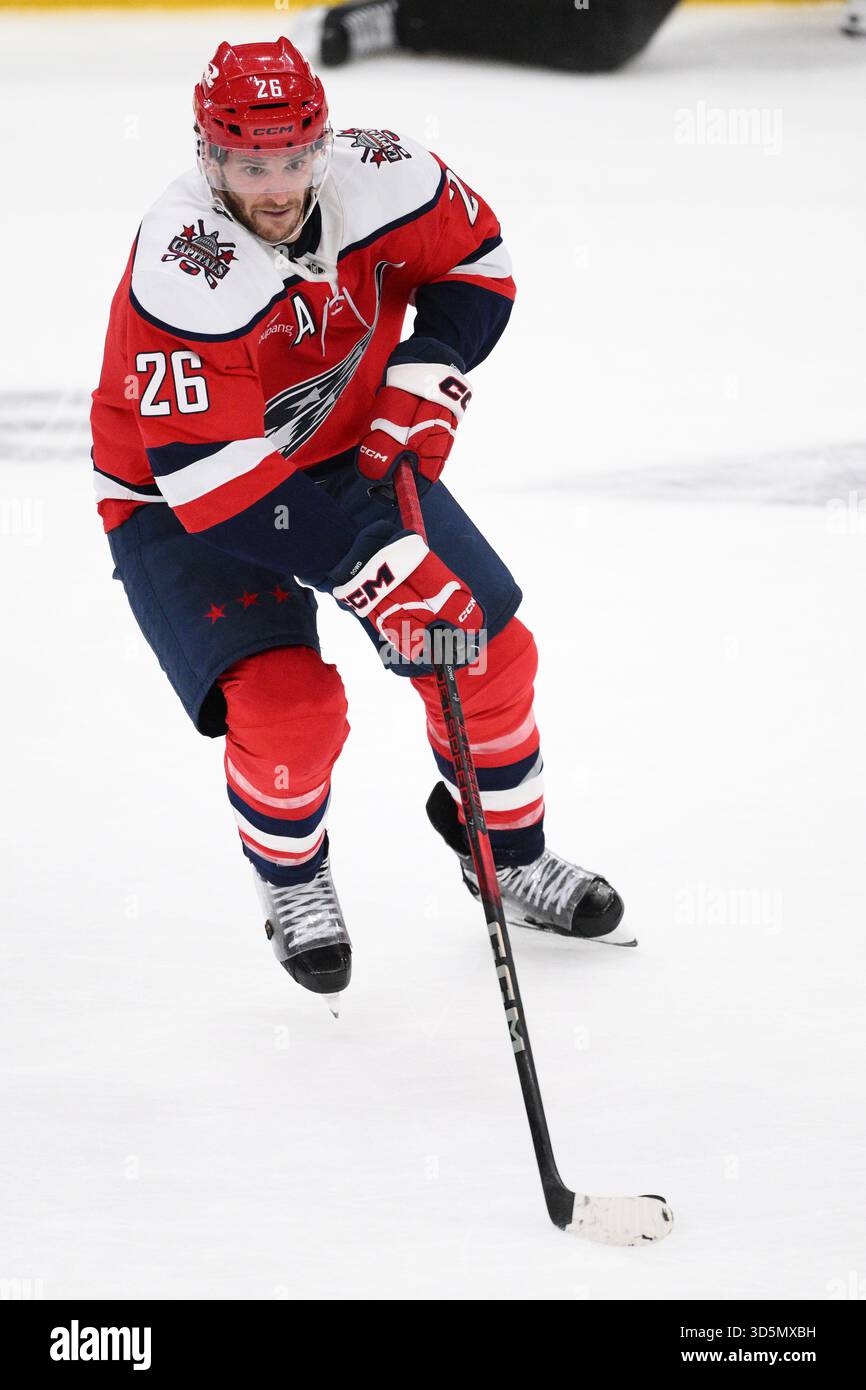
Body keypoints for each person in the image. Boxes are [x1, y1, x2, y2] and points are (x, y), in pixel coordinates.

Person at [91, 37, 632, 1009]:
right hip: (183, 493)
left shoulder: (382, 173)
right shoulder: (184, 262)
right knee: (288, 710)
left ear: (321, 140)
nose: (276, 184)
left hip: (345, 454)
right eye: (250, 165)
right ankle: (293, 881)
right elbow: (214, 481)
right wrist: (365, 565)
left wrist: (425, 372)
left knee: (485, 651)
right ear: (208, 155)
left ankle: (504, 857)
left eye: (293, 158)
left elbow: (477, 261)